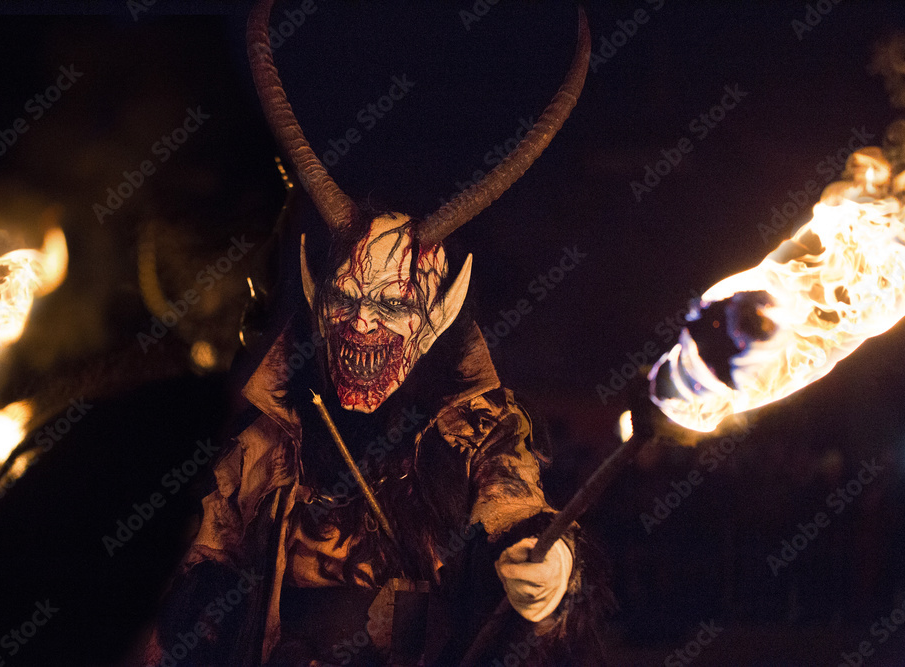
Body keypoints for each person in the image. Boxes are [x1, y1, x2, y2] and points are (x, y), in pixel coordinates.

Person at [145, 2, 610, 664]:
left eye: (390, 305)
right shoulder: (266, 435)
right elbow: (198, 562)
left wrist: (551, 569)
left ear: (437, 319)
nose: (362, 319)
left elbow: (517, 509)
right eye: (344, 297)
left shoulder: (478, 429)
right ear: (316, 296)